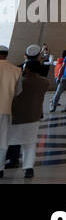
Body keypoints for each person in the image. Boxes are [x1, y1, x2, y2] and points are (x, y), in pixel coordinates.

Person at [10, 56, 52, 178]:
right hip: (34, 116)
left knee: (11, 140)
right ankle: (29, 168)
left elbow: (15, 95)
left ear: (27, 69)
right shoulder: (45, 82)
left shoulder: (21, 81)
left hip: (18, 116)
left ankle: (5, 165)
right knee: (30, 143)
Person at [0, 46, 21, 178]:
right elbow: (18, 92)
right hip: (5, 109)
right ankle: (0, 168)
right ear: (6, 55)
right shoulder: (16, 70)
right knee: (2, 140)